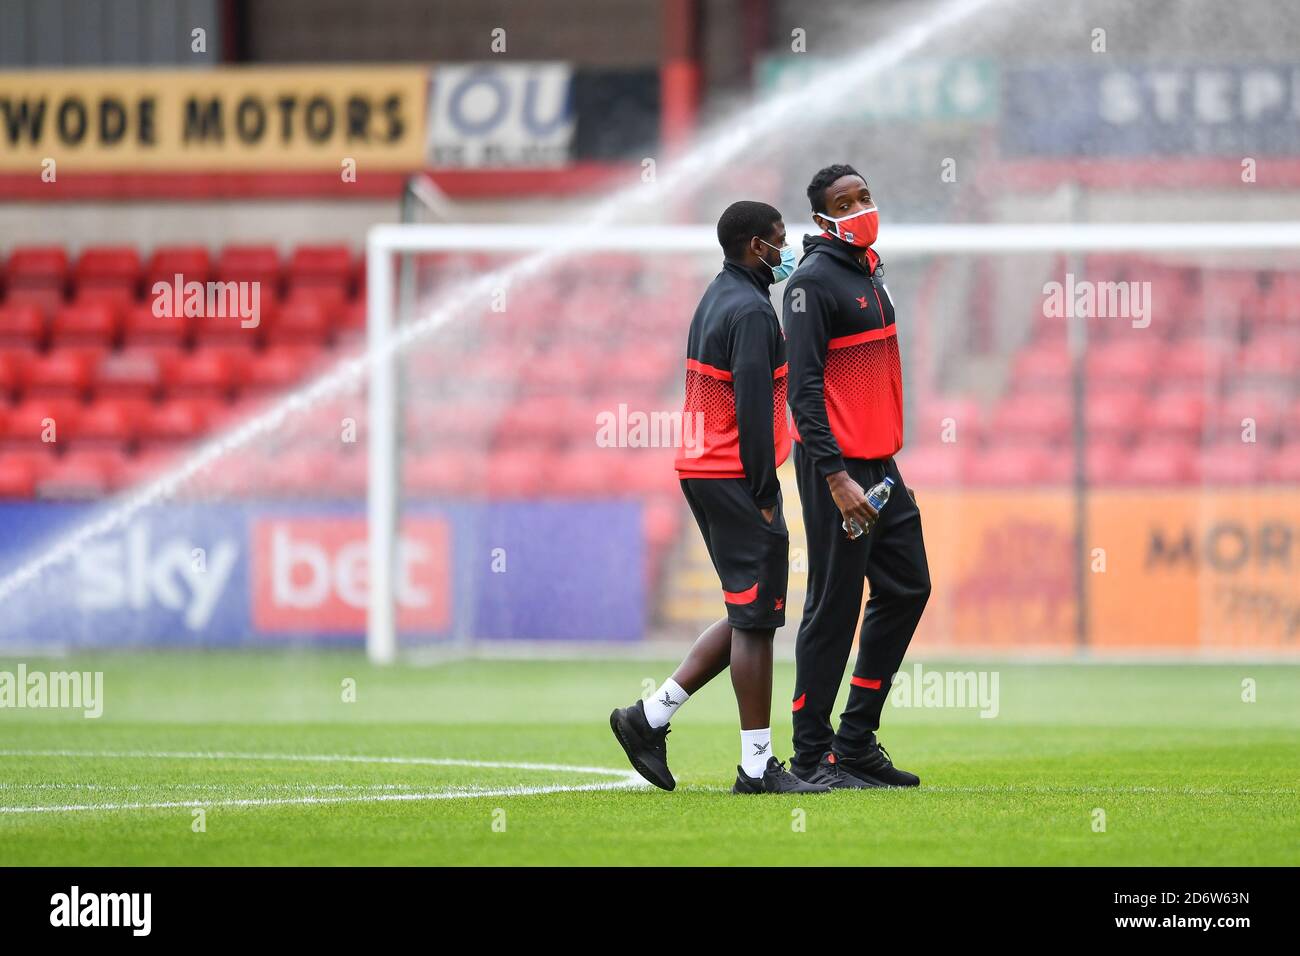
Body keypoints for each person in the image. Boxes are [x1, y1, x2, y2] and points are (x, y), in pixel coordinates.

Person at [610, 200, 828, 795]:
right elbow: (755, 411)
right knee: (757, 622)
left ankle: (648, 718)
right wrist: (762, 490)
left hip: (705, 469)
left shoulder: (716, 295)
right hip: (735, 475)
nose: (788, 250)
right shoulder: (754, 313)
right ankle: (756, 770)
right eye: (780, 240)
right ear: (757, 246)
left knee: (748, 613)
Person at [782, 164, 931, 789]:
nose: (861, 206)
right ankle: (812, 757)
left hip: (882, 465)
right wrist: (836, 478)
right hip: (836, 471)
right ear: (822, 221)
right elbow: (804, 391)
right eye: (845, 202)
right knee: (834, 607)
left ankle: (857, 740)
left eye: (865, 195)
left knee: (908, 587)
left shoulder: (873, 271)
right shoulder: (811, 286)